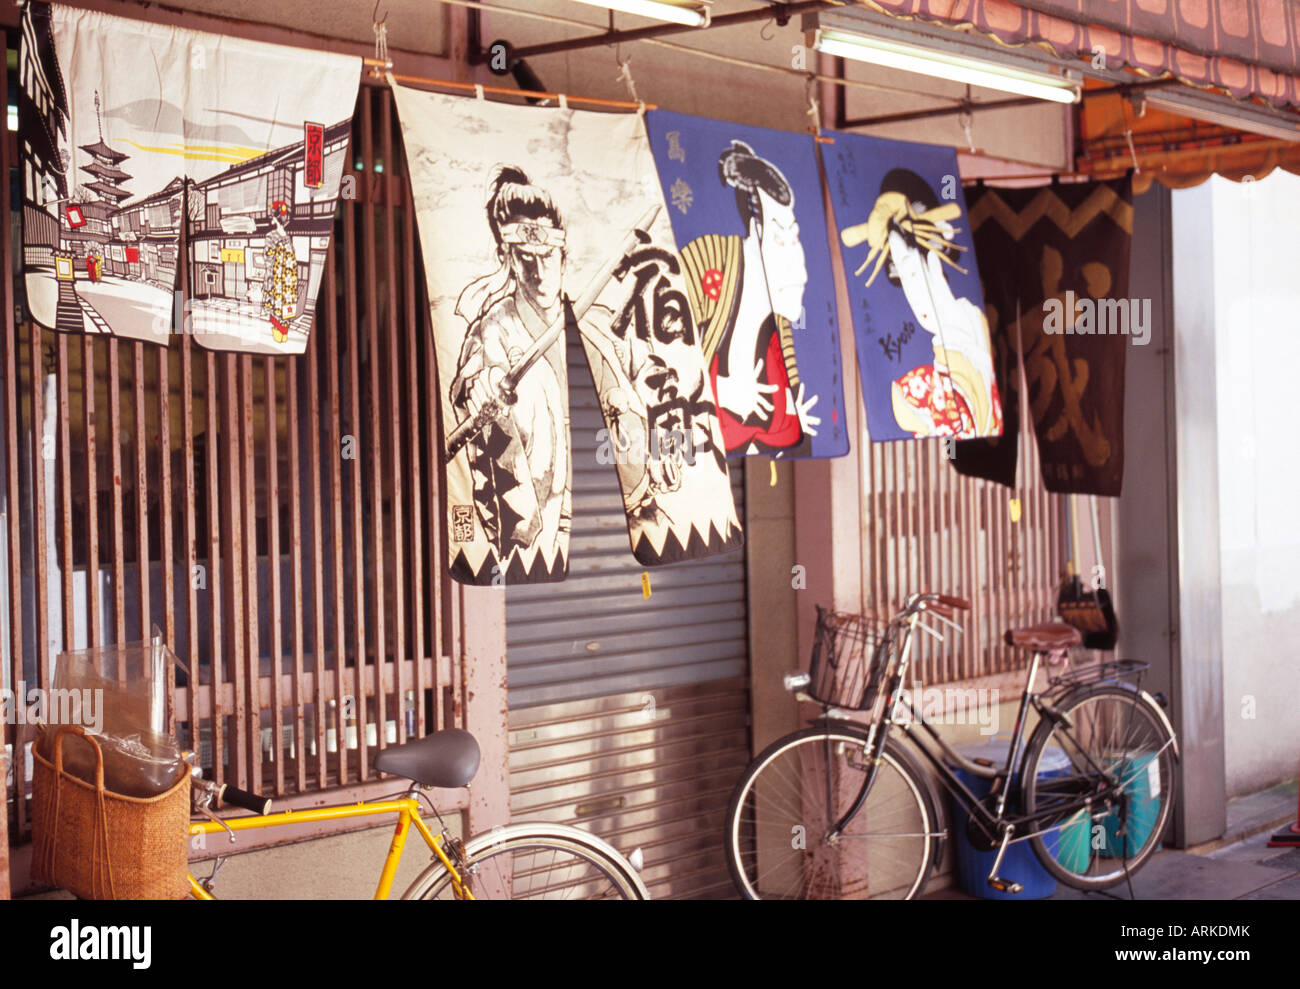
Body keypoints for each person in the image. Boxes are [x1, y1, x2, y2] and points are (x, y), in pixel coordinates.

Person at [449, 166, 571, 575]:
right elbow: (468, 383)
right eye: (525, 259)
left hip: (570, 503)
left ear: (563, 255)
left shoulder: (582, 324)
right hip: (522, 514)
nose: (538, 272)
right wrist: (478, 389)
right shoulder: (493, 327)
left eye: (547, 257)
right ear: (507, 258)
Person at [679, 141, 820, 455]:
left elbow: (797, 432)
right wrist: (716, 392)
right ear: (755, 233)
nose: (798, 262)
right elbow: (653, 348)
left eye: (794, 237)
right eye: (779, 237)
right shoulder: (709, 260)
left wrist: (795, 421)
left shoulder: (779, 330)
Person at [844, 168, 1001, 439]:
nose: (911, 284)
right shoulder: (912, 393)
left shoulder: (974, 321)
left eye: (909, 264)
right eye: (901, 262)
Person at [262, 200, 298, 344]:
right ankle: (281, 333)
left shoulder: (272, 236)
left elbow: (268, 258)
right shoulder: (286, 238)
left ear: (275, 218)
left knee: (279, 307)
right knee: (283, 307)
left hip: (279, 278)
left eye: (273, 216)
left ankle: (280, 333)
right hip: (285, 279)